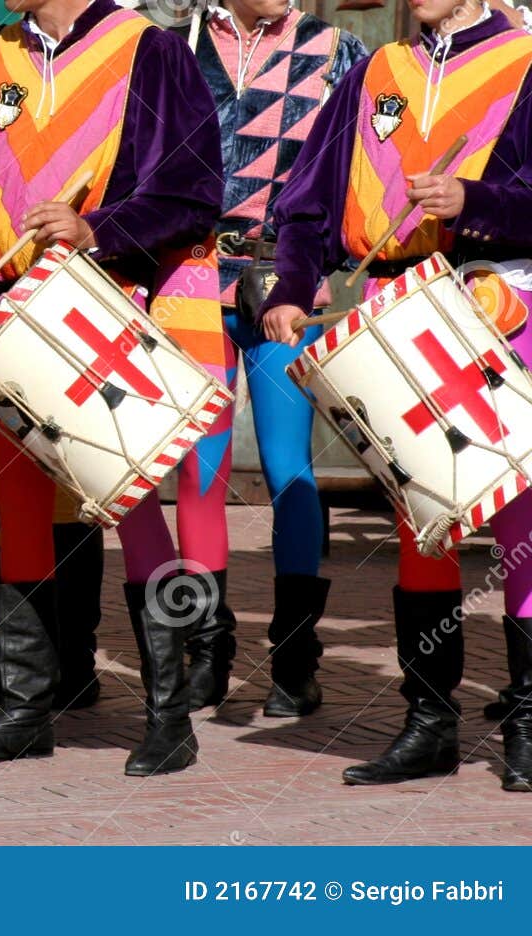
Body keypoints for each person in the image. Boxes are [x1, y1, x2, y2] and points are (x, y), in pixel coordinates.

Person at [0, 0, 224, 775]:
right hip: (7, 316)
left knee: (129, 502)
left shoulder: (149, 50)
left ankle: (169, 717)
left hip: (102, 308)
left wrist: (100, 229)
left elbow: (193, 193)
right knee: (17, 509)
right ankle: (27, 709)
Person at [262, 0, 532, 791]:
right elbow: (308, 203)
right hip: (394, 314)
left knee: (519, 516)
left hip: (497, 304)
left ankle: (526, 721)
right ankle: (429, 724)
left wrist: (475, 204)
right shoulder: (377, 71)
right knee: (422, 517)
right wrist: (293, 285)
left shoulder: (524, 60)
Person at [181, 0, 364, 714]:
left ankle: (294, 658)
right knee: (200, 467)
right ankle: (207, 649)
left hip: (287, 285)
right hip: (191, 281)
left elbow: (358, 166)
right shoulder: (176, 46)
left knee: (291, 471)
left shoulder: (338, 51)